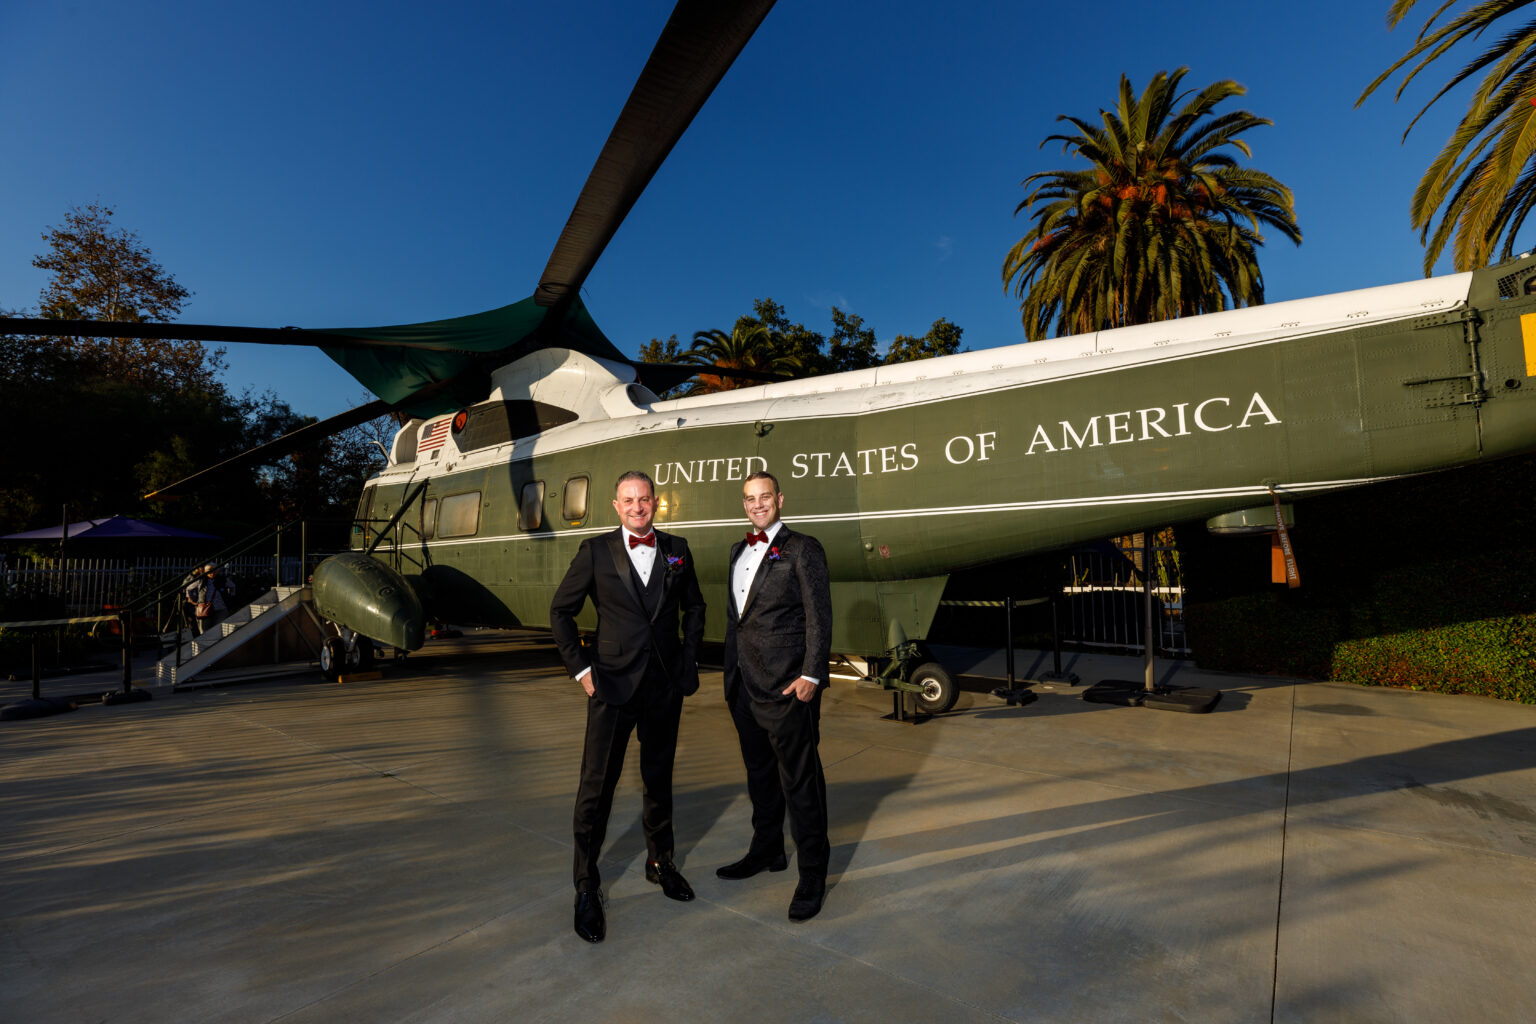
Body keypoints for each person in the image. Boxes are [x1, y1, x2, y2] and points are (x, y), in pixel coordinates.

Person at [549, 470, 706, 943]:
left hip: (664, 688)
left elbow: (695, 607)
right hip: (611, 688)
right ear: (616, 507)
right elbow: (561, 611)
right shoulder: (595, 552)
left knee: (658, 782)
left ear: (655, 503)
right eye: (628, 500)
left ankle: (661, 863)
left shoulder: (678, 549)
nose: (637, 507)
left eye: (644, 499)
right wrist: (582, 671)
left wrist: (687, 657)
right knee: (596, 790)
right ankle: (585, 886)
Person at [719, 470, 833, 922]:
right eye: (749, 498)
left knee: (802, 784)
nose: (757, 504)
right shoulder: (736, 550)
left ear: (780, 499)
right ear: (743, 504)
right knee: (759, 776)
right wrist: (729, 673)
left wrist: (812, 674)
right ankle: (767, 850)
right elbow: (738, 620)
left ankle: (812, 874)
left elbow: (818, 616)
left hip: (788, 686)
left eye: (765, 496)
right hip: (744, 686)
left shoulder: (804, 549)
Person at [183, 563, 235, 636]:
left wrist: (230, 596)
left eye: (214, 570)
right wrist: (193, 600)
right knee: (204, 631)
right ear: (205, 571)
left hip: (220, 608)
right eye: (209, 570)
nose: (212, 572)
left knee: (219, 630)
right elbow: (188, 588)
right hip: (204, 609)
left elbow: (232, 586)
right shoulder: (200, 580)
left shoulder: (223, 579)